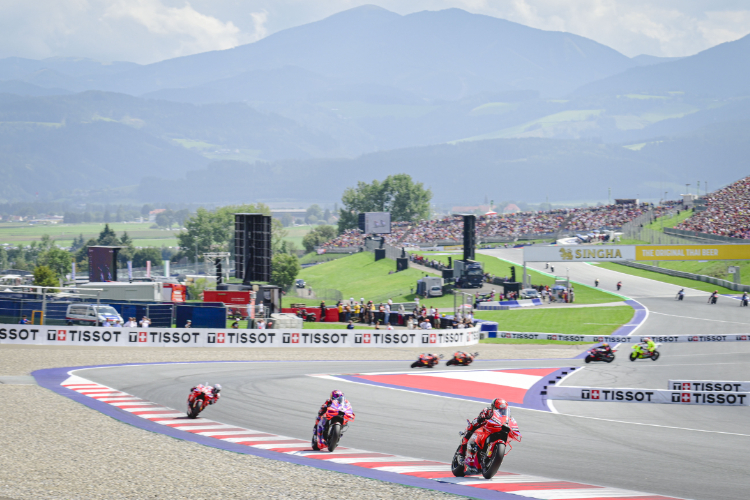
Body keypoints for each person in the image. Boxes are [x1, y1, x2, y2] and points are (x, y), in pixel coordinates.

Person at [458, 399, 520, 466]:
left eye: (503, 409)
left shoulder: (508, 418)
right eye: (499, 409)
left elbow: (511, 423)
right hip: (485, 427)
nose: (501, 411)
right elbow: (480, 416)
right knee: (473, 425)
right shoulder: (487, 410)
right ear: (494, 407)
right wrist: (481, 417)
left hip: (497, 429)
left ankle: (495, 456)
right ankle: (461, 452)